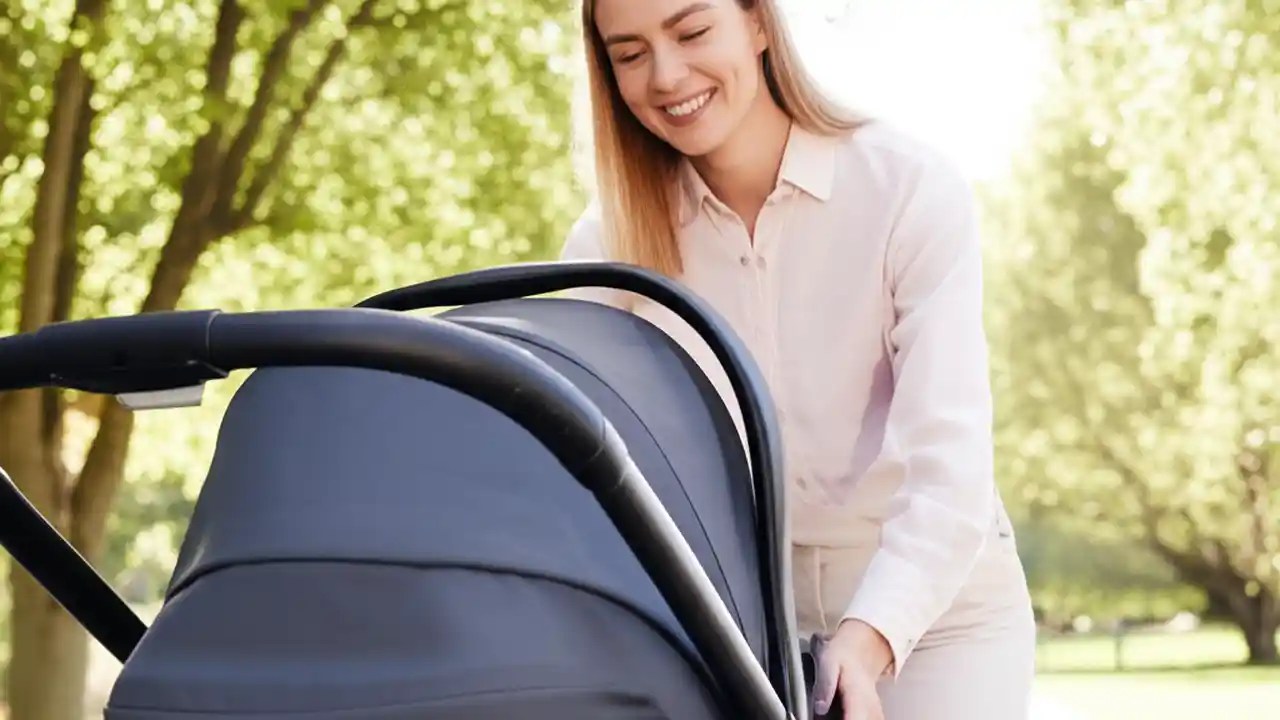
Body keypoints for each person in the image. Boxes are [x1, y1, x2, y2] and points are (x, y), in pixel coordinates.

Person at [558, 1, 1037, 718]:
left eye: (691, 32)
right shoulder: (607, 246)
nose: (665, 74)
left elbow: (951, 474)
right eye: (629, 54)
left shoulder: (905, 188)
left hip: (940, 613)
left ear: (758, 24)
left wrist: (868, 639)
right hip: (740, 623)